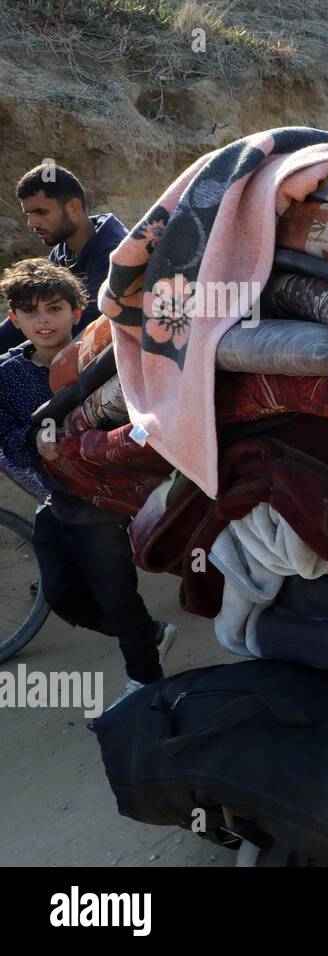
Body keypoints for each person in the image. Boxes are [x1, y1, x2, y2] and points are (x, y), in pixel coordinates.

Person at [0, 260, 176, 709]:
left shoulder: (103, 354)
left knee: (115, 592)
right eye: (30, 311)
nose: (44, 320)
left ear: (77, 312)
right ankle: (149, 633)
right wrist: (34, 441)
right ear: (13, 317)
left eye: (54, 308)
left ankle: (146, 677)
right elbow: (7, 439)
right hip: (56, 498)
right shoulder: (6, 374)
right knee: (64, 597)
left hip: (106, 495)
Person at [0, 166, 128, 351]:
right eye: (29, 215)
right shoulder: (64, 250)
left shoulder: (113, 254)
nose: (32, 223)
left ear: (74, 207)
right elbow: (28, 310)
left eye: (41, 212)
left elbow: (69, 331)